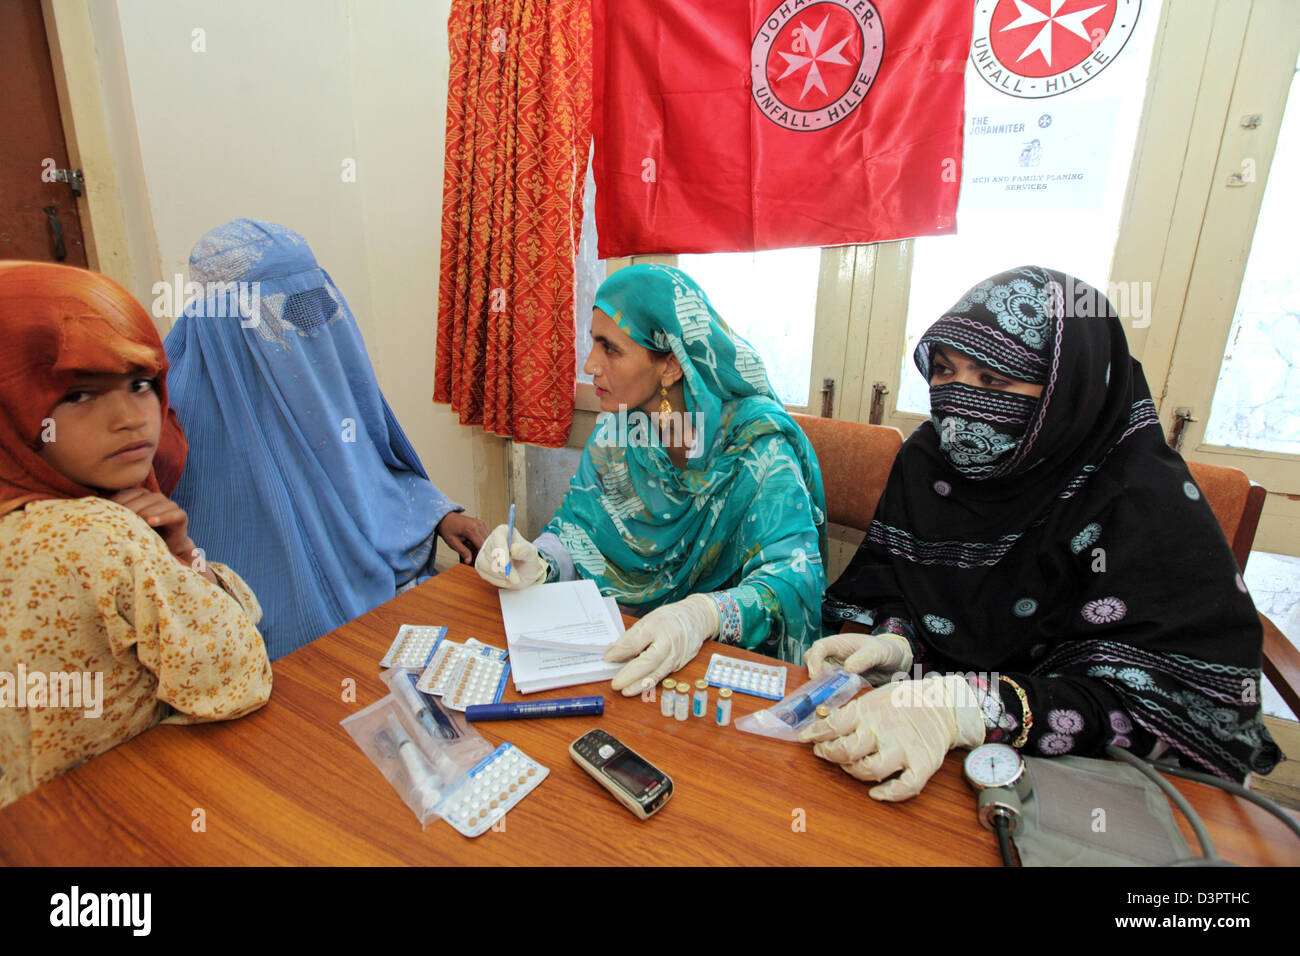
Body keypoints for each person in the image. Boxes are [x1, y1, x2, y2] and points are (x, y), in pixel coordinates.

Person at [803, 265, 1282, 801]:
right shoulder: (930, 460)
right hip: (914, 741)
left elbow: (1155, 713)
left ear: (1066, 389)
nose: (960, 404)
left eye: (994, 380)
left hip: (1087, 783)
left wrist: (966, 705)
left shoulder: (1138, 500)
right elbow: (898, 582)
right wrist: (898, 642)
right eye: (944, 371)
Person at [476, 264, 828, 693]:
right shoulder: (620, 434)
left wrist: (701, 615)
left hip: (721, 677)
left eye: (611, 349)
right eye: (593, 343)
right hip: (627, 654)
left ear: (670, 366)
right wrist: (538, 560)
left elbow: (793, 578)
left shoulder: (758, 452)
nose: (590, 365)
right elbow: (579, 530)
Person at [0, 261, 273, 808]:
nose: (130, 418)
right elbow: (237, 682)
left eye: (142, 384)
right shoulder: (98, 533)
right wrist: (182, 555)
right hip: (129, 812)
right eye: (78, 395)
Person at [164, 219, 487, 659]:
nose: (312, 326)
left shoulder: (317, 374)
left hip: (393, 615)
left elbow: (369, 472)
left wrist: (436, 516)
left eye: (316, 304)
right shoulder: (170, 420)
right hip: (274, 656)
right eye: (288, 310)